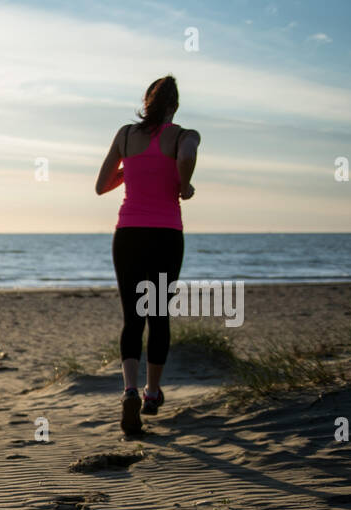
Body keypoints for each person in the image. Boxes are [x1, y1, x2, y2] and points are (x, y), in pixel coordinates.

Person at [95, 75, 199, 435]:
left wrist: (132, 169)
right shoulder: (185, 135)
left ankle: (128, 390)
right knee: (158, 314)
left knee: (131, 317)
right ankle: (152, 392)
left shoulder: (125, 135)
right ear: (175, 105)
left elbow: (100, 186)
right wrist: (184, 183)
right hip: (165, 236)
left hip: (128, 235)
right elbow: (185, 158)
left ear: (146, 102)